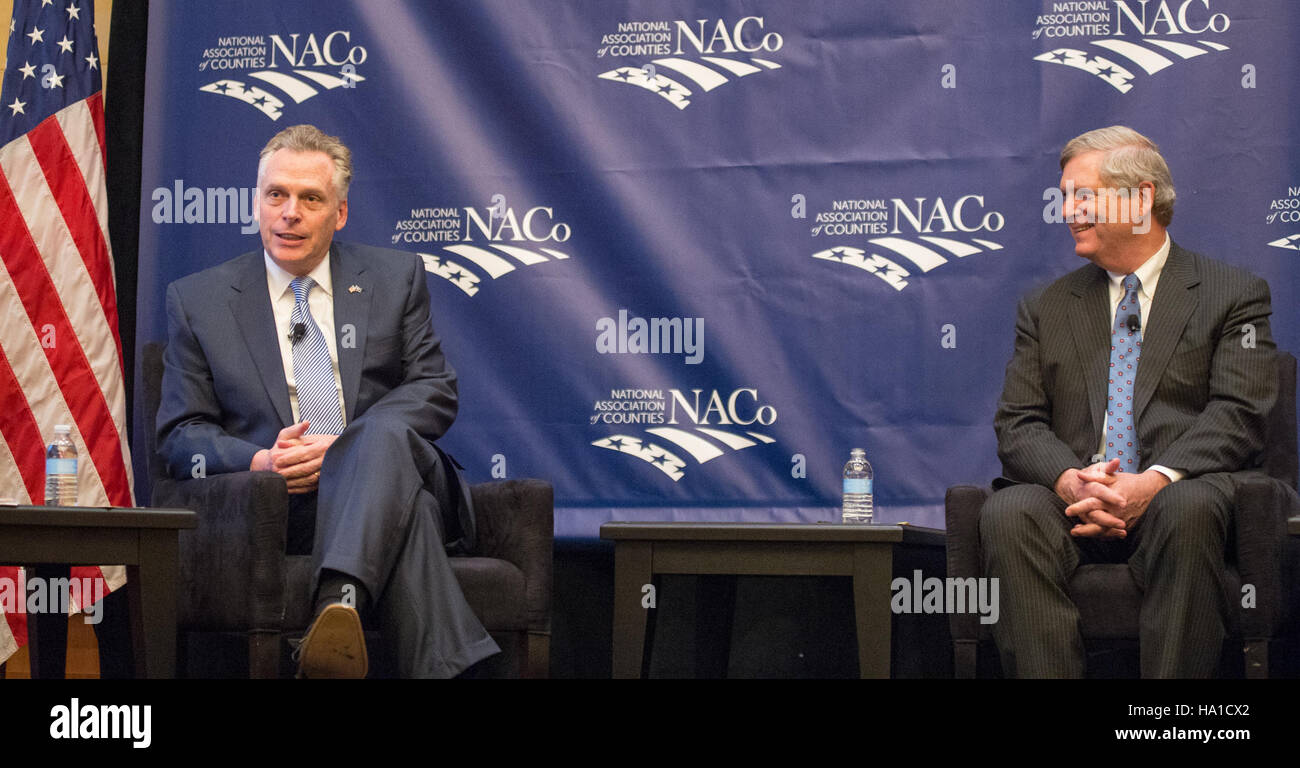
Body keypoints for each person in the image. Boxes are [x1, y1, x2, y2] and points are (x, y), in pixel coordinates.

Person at [156, 124, 499, 678]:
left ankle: (335, 604)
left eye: (310, 198)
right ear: (257, 202)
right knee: (412, 518)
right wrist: (262, 461)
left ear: (339, 213)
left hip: (403, 469)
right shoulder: (198, 301)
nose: (290, 212)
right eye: (277, 195)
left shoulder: (395, 277)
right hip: (286, 503)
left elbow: (435, 387)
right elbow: (180, 434)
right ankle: (436, 659)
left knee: (380, 437)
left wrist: (347, 447)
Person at [981, 125, 1277, 677]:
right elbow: (1019, 423)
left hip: (1178, 496)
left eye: (1081, 195)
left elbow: (1239, 412)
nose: (1066, 210)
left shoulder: (1233, 294)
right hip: (1076, 503)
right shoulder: (1047, 307)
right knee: (1009, 511)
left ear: (1140, 198)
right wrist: (1074, 482)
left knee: (1189, 507)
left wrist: (1153, 481)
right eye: (1064, 196)